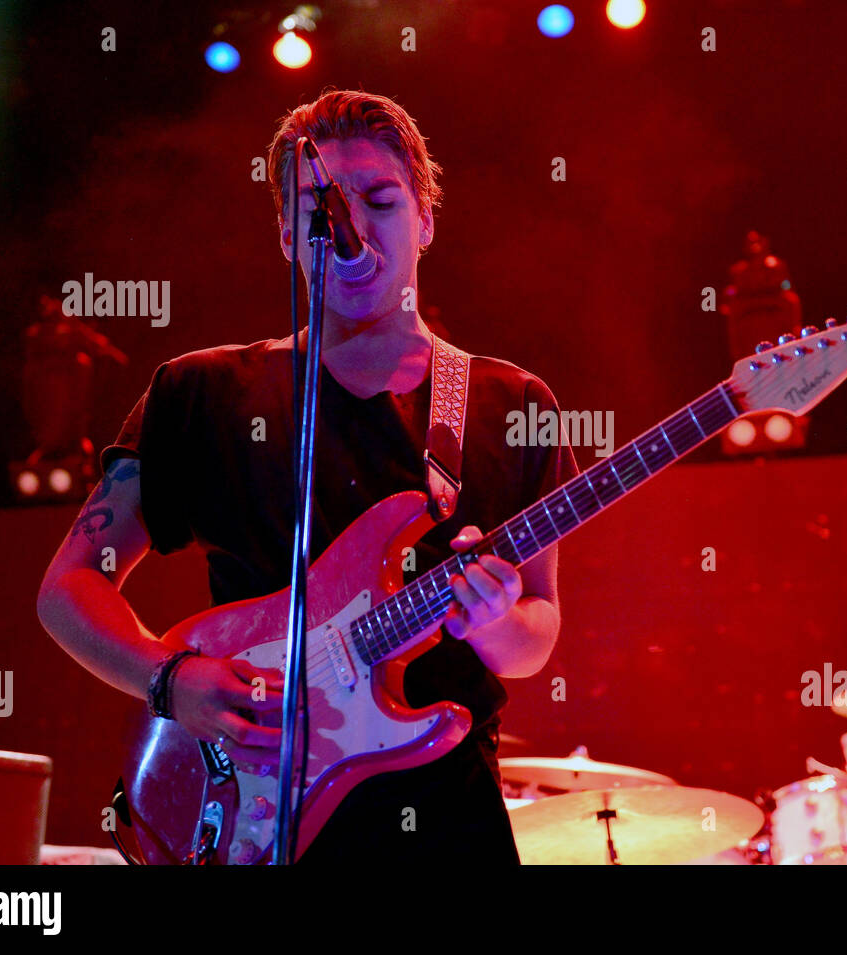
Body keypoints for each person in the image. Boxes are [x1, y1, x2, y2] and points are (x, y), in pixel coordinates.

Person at [36, 90, 578, 864]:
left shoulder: (513, 402)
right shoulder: (202, 393)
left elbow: (536, 633)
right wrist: (169, 679)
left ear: (425, 220)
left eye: (381, 200)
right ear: (289, 234)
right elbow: (70, 585)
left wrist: (492, 618)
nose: (352, 226)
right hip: (256, 801)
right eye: (323, 207)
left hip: (448, 819)